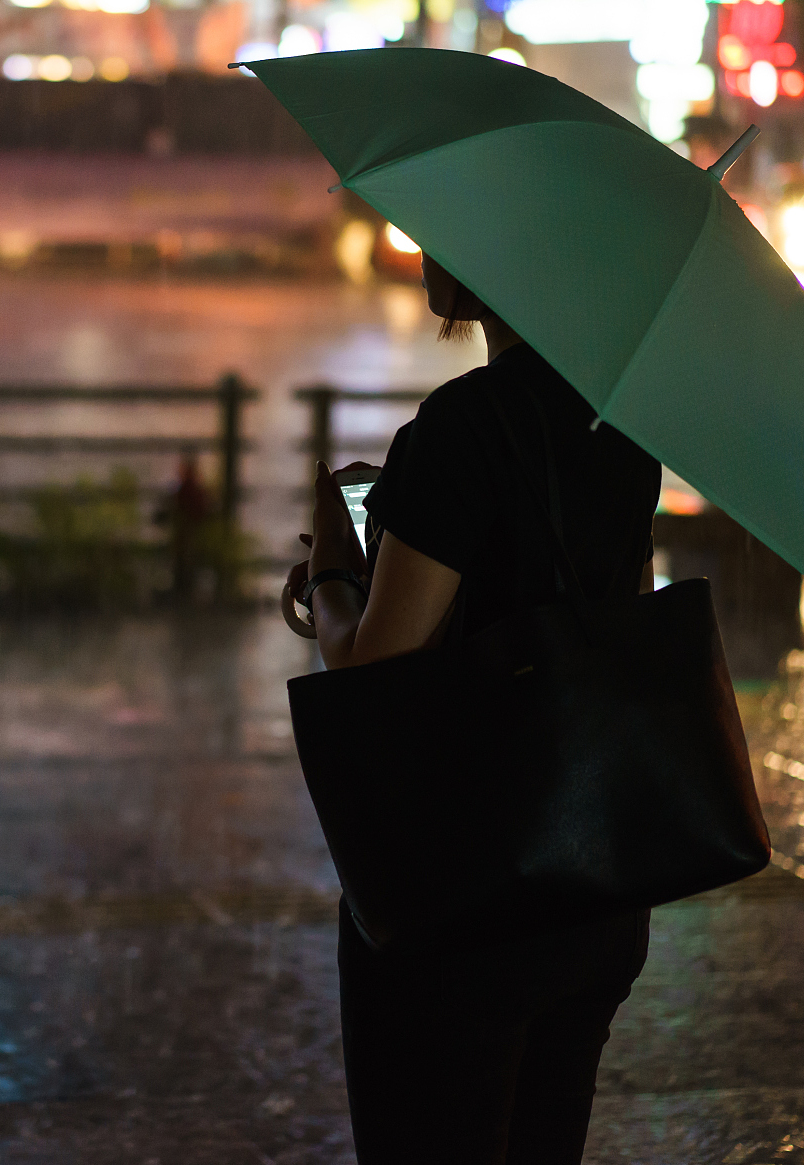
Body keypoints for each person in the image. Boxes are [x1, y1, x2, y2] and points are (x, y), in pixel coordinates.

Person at [282, 254, 662, 1165]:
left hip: (465, 897)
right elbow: (592, 621)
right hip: (595, 893)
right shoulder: (624, 424)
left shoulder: (463, 425)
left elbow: (372, 667)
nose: (425, 251)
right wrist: (413, 517)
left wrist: (335, 566)